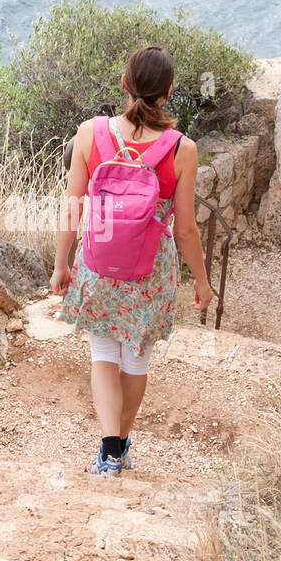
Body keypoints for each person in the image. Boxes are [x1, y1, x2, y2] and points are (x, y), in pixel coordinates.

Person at [51, 46, 214, 477]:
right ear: (169, 92)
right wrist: (201, 281)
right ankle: (118, 447)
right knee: (135, 360)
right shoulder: (182, 149)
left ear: (124, 84)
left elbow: (72, 206)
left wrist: (61, 263)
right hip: (150, 270)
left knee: (102, 353)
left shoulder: (90, 133)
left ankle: (108, 453)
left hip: (98, 261)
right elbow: (184, 230)